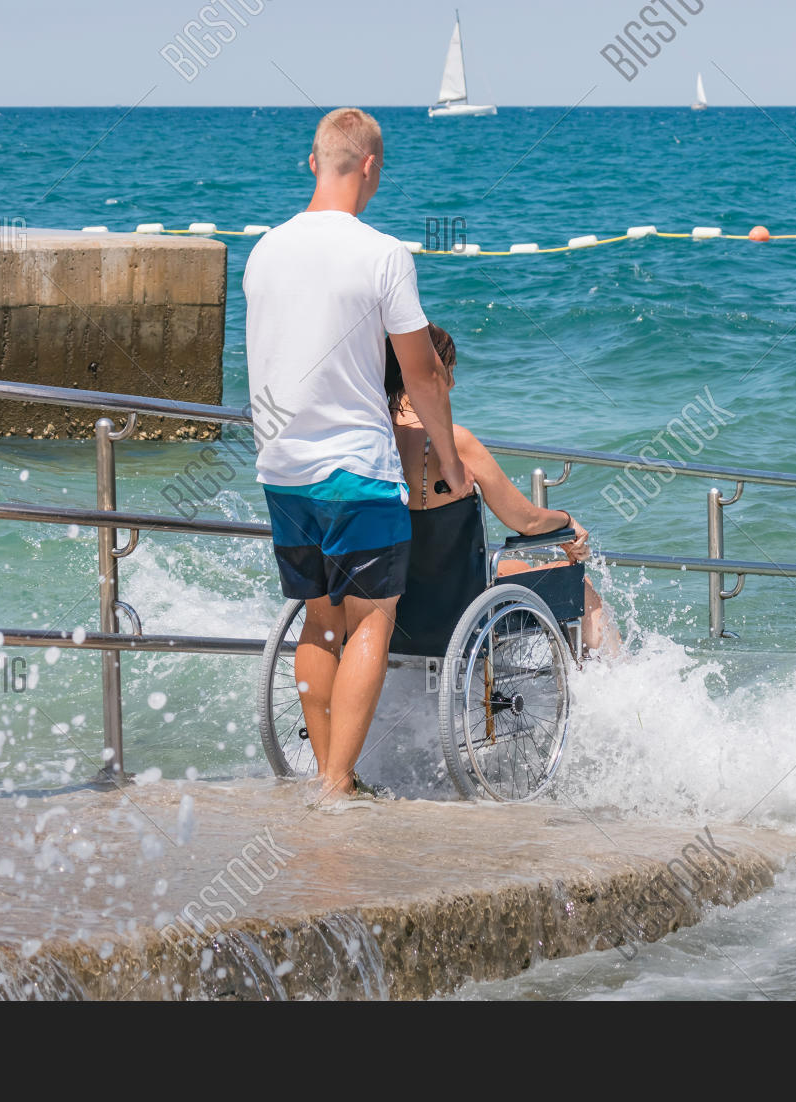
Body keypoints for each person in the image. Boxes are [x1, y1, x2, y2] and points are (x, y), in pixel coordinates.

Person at [244, 107, 474, 800]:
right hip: (355, 469)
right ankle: (338, 783)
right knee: (372, 617)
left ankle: (324, 772)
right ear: (370, 166)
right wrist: (450, 463)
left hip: (280, 467)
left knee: (319, 618)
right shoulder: (382, 254)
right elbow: (423, 373)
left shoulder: (264, 249)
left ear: (313, 162)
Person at [386, 324, 621, 655]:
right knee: (580, 586)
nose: (452, 384)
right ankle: (613, 691)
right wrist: (567, 522)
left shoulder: (369, 440)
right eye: (449, 371)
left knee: (519, 569)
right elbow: (527, 522)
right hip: (458, 616)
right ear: (434, 374)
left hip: (392, 613)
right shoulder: (455, 444)